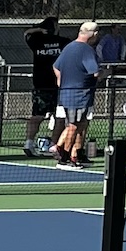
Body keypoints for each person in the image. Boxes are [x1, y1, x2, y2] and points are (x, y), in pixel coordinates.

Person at [52, 20, 101, 169]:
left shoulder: (68, 47)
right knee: (73, 126)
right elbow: (95, 72)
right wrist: (106, 73)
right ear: (94, 35)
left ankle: (75, 155)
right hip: (79, 95)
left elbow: (56, 66)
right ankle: (64, 159)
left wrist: (60, 80)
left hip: (70, 94)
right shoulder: (87, 50)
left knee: (81, 124)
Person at [23, 14, 65, 155]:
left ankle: (32, 143)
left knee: (40, 116)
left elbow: (26, 33)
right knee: (59, 116)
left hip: (44, 85)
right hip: (55, 86)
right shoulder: (61, 42)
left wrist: (38, 30)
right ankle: (52, 145)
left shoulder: (37, 40)